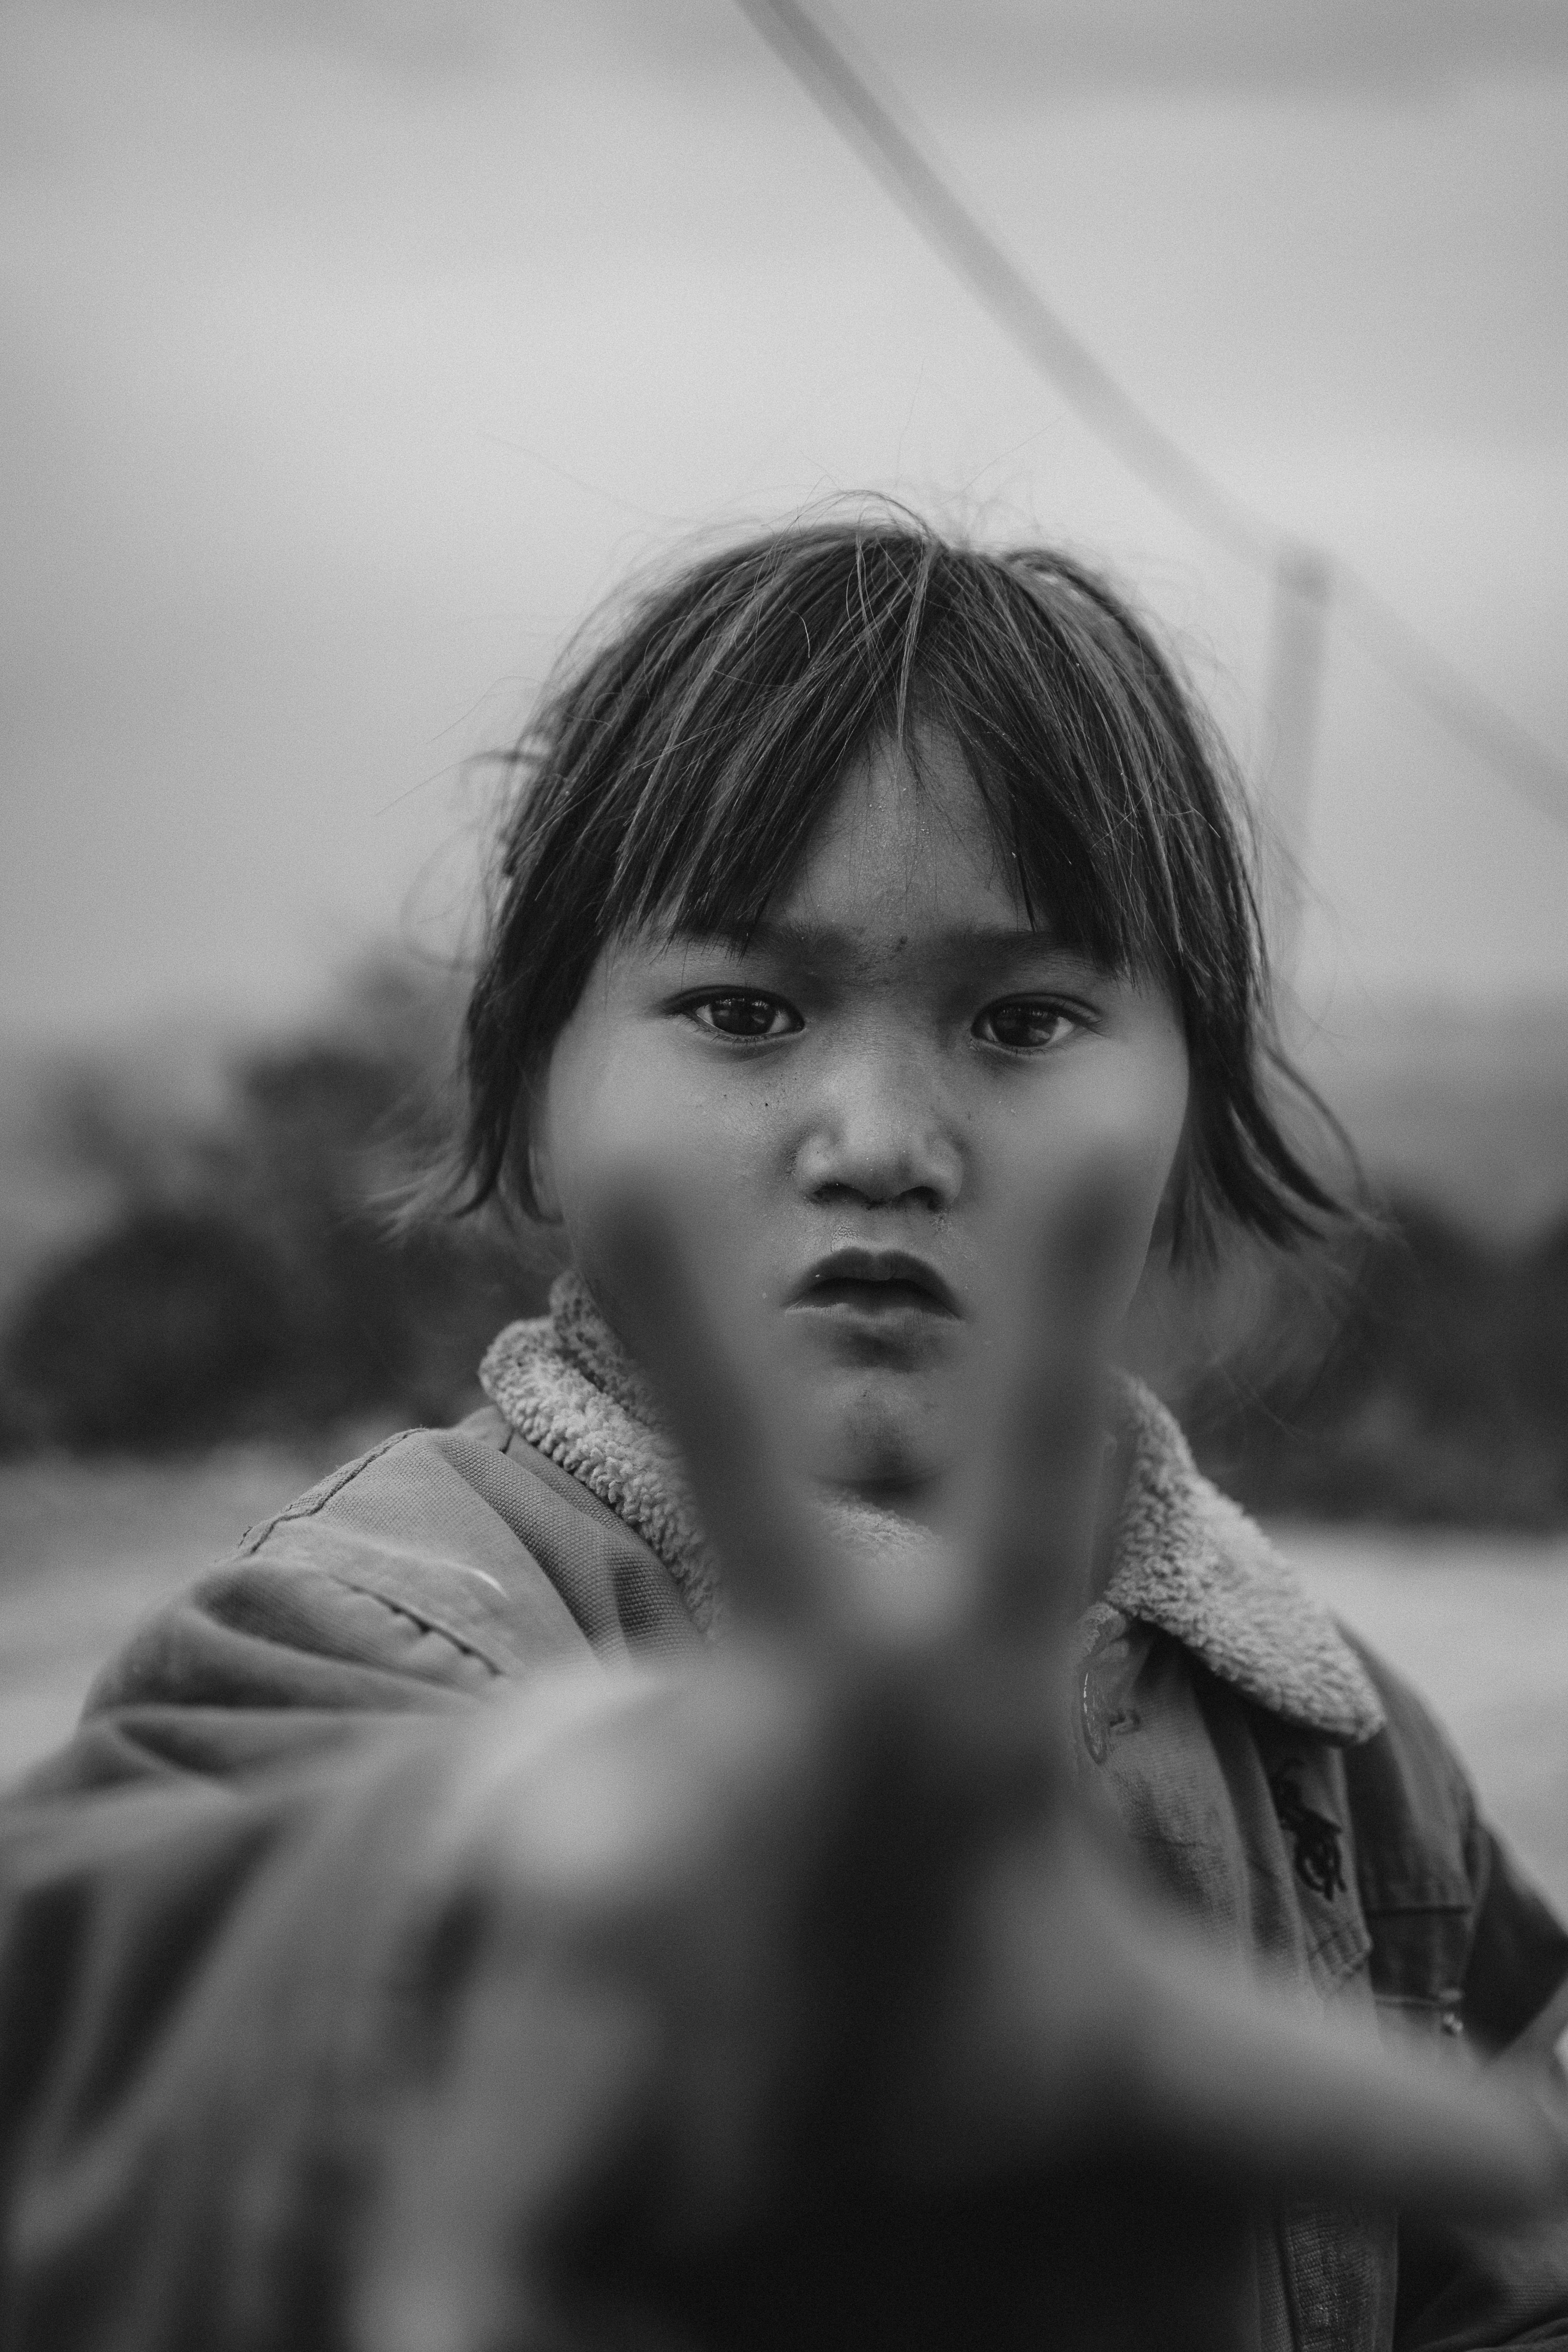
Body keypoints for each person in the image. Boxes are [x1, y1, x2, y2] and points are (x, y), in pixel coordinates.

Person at [2, 516, 1566, 2352]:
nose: (881, 1138)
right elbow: (97, 2038)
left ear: (1192, 1111)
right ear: (533, 1085)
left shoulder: (1340, 1748)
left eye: (1024, 1019)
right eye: (744, 1011)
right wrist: (525, 1917)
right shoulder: (375, 1627)